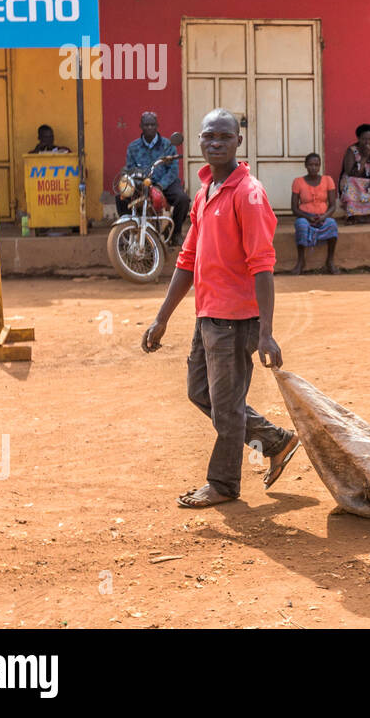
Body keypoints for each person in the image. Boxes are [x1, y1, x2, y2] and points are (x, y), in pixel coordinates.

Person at [142, 108, 300, 508]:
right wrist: (162, 318)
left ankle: (223, 484)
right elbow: (187, 260)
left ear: (238, 143)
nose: (215, 143)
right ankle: (274, 441)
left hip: (236, 321)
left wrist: (265, 332)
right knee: (201, 392)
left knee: (226, 409)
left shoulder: (248, 195)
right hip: (208, 316)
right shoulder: (205, 192)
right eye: (208, 136)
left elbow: (263, 266)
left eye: (224, 137)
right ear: (199, 141)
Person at [120, 111, 190, 247]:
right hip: (142, 183)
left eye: (152, 124)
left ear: (157, 126)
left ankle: (176, 233)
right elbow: (130, 168)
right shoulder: (133, 147)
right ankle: (127, 233)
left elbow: (173, 170)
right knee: (120, 197)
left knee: (183, 199)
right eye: (146, 125)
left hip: (165, 182)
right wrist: (139, 183)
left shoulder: (168, 145)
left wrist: (160, 185)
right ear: (141, 126)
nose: (150, 128)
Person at [290, 152, 339, 275]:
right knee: (301, 225)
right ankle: (301, 261)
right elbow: (294, 208)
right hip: (305, 217)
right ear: (306, 166)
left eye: (316, 165)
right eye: (311, 165)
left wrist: (323, 216)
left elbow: (333, 206)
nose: (314, 168)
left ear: (320, 166)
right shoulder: (298, 182)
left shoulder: (328, 180)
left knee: (332, 224)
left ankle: (330, 261)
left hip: (323, 217)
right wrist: (308, 217)